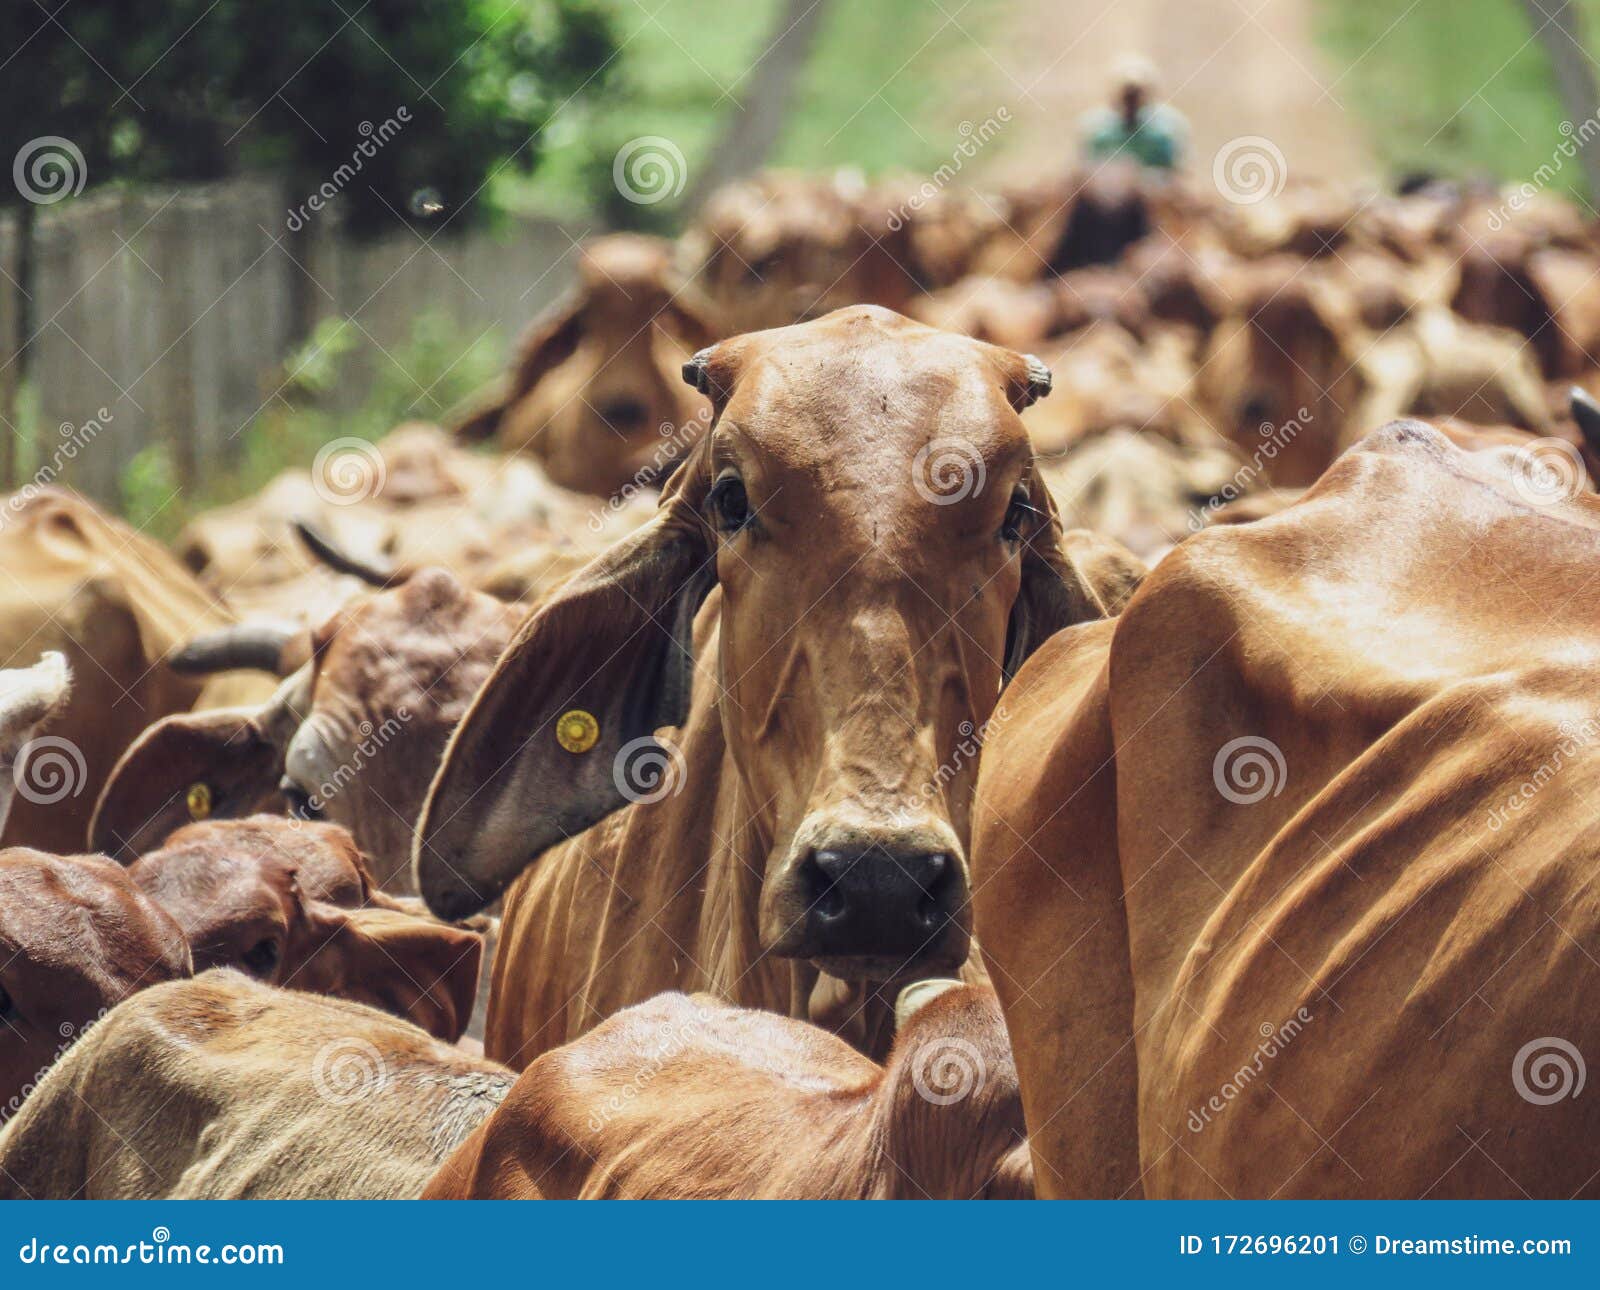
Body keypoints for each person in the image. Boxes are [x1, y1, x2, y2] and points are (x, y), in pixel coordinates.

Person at [1080, 55, 1187, 171]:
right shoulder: (1096, 131)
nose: (1131, 103)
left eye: (1136, 95)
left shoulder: (1167, 130)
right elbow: (1081, 170)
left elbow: (1180, 171)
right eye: (1127, 96)